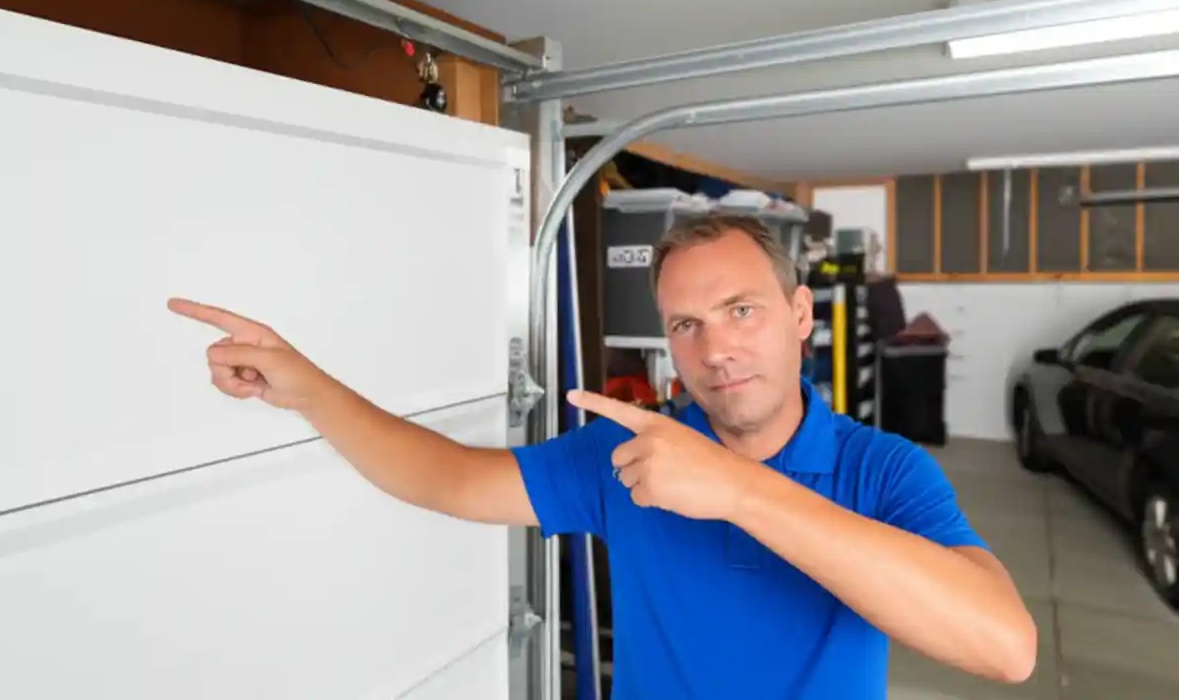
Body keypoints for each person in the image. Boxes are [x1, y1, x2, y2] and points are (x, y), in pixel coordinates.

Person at [167, 213, 1036, 699]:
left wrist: (738, 493)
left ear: (801, 313)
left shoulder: (881, 471)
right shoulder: (632, 455)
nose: (716, 349)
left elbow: (1006, 648)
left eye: (741, 311)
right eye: (686, 325)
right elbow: (445, 477)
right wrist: (309, 386)